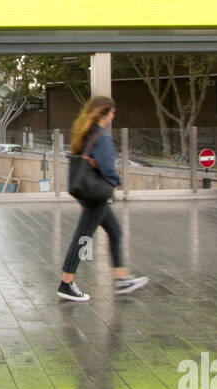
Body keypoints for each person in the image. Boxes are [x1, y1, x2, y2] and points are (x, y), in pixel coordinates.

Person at [57, 96, 149, 301]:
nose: (113, 116)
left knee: (115, 232)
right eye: (112, 112)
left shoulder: (85, 134)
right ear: (103, 113)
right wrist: (118, 181)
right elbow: (107, 169)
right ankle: (66, 283)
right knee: (81, 239)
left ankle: (121, 278)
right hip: (97, 196)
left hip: (89, 194)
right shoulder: (102, 137)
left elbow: (83, 166)